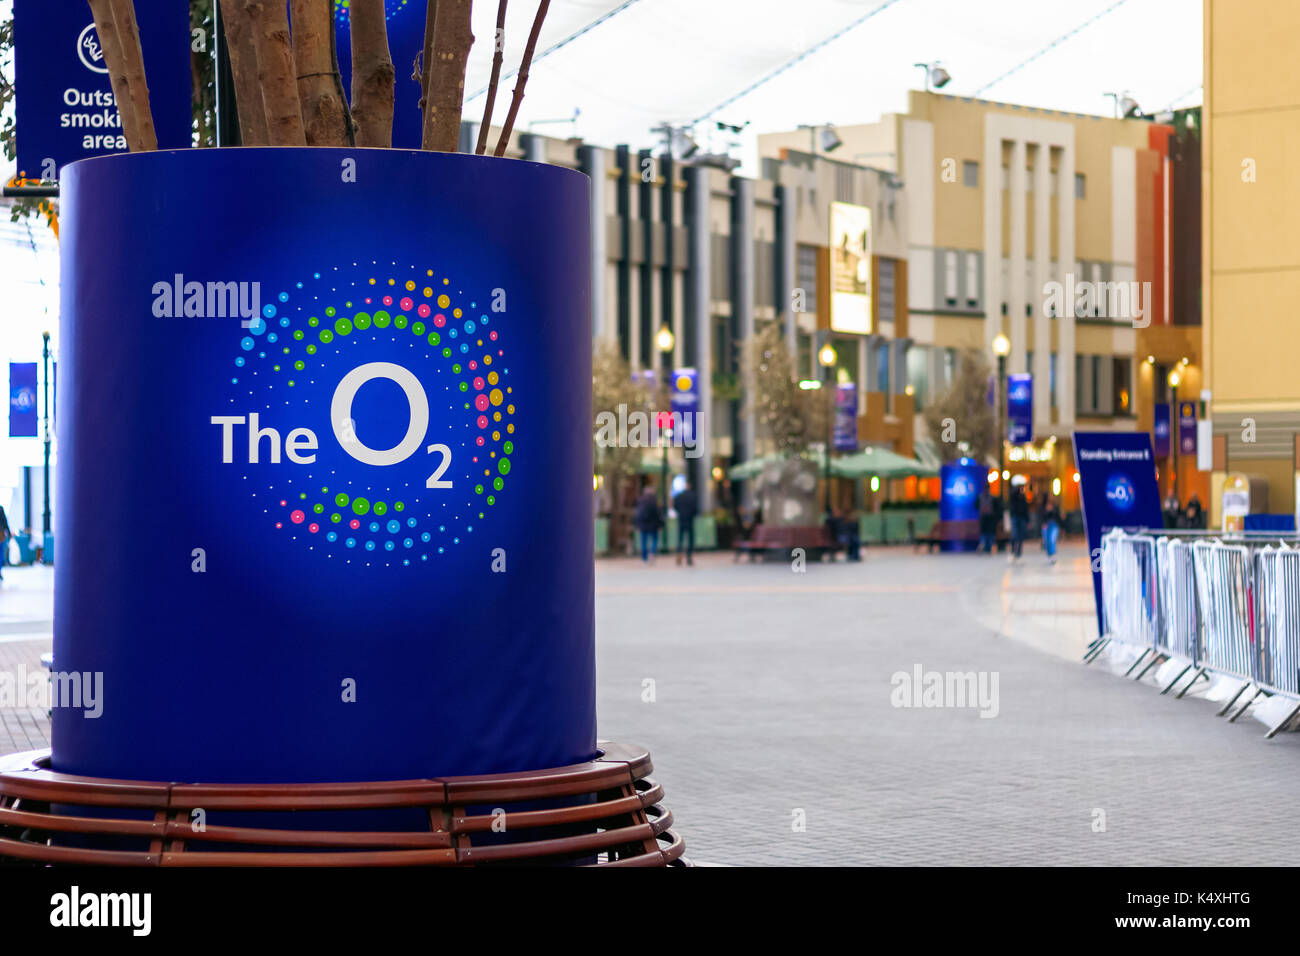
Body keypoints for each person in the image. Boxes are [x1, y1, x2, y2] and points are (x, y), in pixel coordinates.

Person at [632, 485, 663, 563]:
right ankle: (652, 553)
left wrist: (636, 524)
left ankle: (644, 558)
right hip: (653, 524)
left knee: (644, 541)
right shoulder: (654, 500)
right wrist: (660, 524)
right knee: (654, 540)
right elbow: (658, 514)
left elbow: (637, 514)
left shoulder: (640, 500)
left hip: (643, 525)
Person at [672, 482, 699, 566]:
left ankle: (679, 555)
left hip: (681, 519)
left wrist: (680, 512)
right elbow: (696, 508)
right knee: (690, 539)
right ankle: (689, 557)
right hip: (690, 519)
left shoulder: (679, 496)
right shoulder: (693, 496)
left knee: (680, 538)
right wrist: (693, 514)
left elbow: (675, 505)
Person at [1009, 485, 1029, 560]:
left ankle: (1019, 552)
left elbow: (1025, 509)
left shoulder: (1023, 498)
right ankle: (1013, 550)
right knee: (1014, 535)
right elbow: (1012, 497)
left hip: (1022, 518)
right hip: (1015, 517)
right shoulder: (1013, 497)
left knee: (1020, 536)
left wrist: (1027, 520)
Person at [1040, 495, 1062, 564]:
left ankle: (1053, 556)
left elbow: (1058, 516)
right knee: (1047, 541)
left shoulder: (1056, 506)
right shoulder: (1042, 507)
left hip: (1054, 525)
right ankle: (1049, 555)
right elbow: (1040, 516)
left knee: (1052, 540)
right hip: (1046, 525)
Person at [977, 487, 998, 553]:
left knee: (989, 533)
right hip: (985, 517)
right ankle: (985, 545)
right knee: (985, 533)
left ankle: (988, 546)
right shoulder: (988, 497)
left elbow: (996, 507)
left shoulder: (990, 497)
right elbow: (976, 505)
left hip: (989, 518)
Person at [0, 505, 9, 581]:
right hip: (1, 534)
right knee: (0, 553)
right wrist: (8, 533)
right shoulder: (0, 508)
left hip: (1, 534)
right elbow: (5, 522)